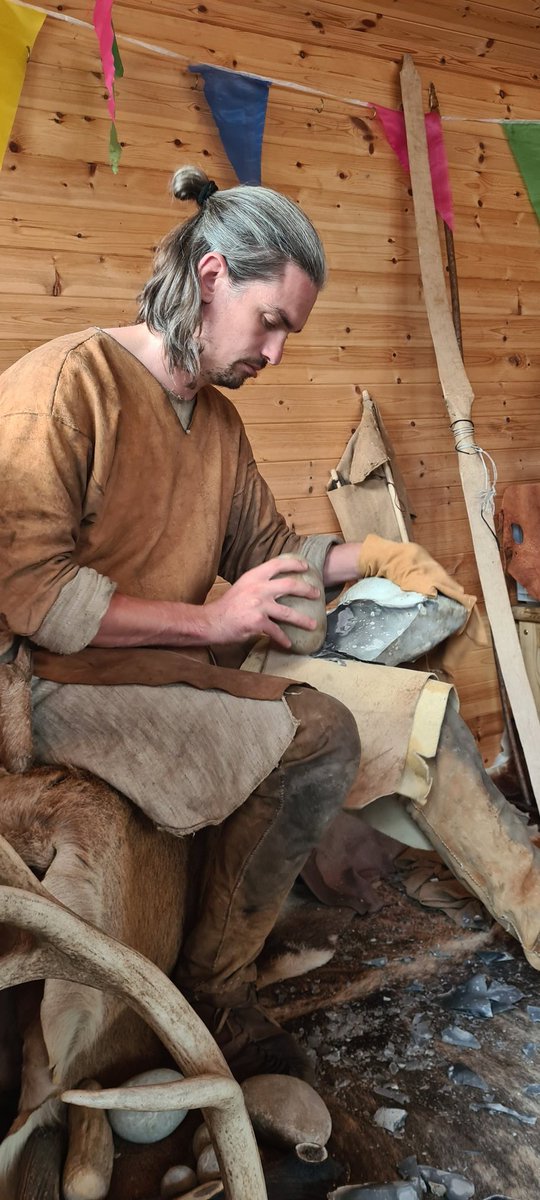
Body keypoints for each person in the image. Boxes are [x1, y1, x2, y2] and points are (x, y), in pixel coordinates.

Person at [1, 166, 539, 1083]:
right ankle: (219, 992)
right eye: (273, 322)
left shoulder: (213, 423)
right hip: (58, 683)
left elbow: (272, 546)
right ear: (211, 279)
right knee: (317, 736)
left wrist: (374, 559)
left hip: (173, 664)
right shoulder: (66, 383)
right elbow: (29, 592)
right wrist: (210, 615)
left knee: (410, 705)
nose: (278, 353)